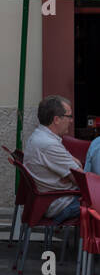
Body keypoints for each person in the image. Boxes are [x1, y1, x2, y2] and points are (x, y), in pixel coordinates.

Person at [23, 95, 82, 223]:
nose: (71, 121)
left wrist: (70, 176)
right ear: (56, 119)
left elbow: (75, 169)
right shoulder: (49, 144)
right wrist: (71, 177)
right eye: (69, 116)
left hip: (54, 200)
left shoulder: (40, 136)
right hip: (62, 204)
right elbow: (82, 181)